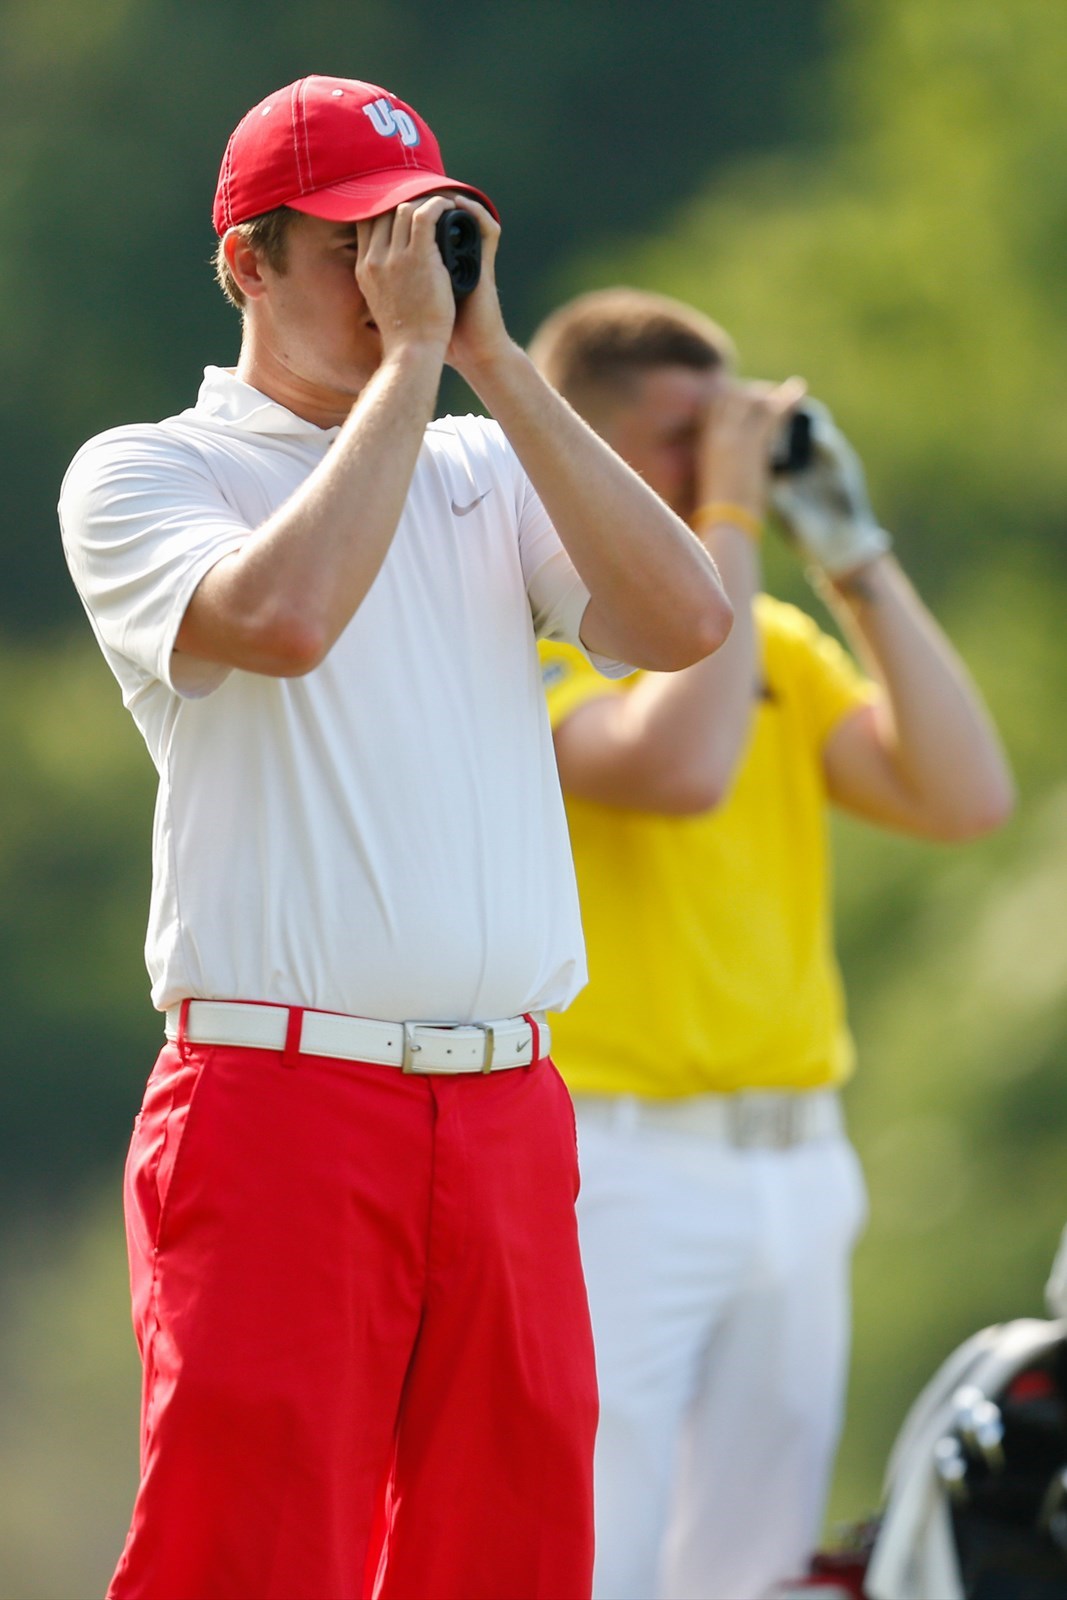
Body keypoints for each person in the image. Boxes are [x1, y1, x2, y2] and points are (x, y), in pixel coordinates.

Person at [58, 86, 732, 1600]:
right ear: (246, 262)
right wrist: (419, 361)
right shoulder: (150, 470)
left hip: (503, 1109)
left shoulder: (483, 466)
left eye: (417, 237)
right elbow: (279, 622)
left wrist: (487, 358)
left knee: (512, 1544)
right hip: (279, 1101)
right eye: (349, 243)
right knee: (255, 1547)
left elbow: (685, 621)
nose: (391, 274)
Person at [530, 286, 1015, 1600]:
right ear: (600, 448)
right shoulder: (536, 636)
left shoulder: (780, 646)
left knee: (753, 1575)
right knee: (599, 1552)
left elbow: (965, 796)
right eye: (695, 433)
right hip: (621, 1168)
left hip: (797, 1168)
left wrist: (852, 553)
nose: (729, 454)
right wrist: (729, 521)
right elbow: (677, 767)